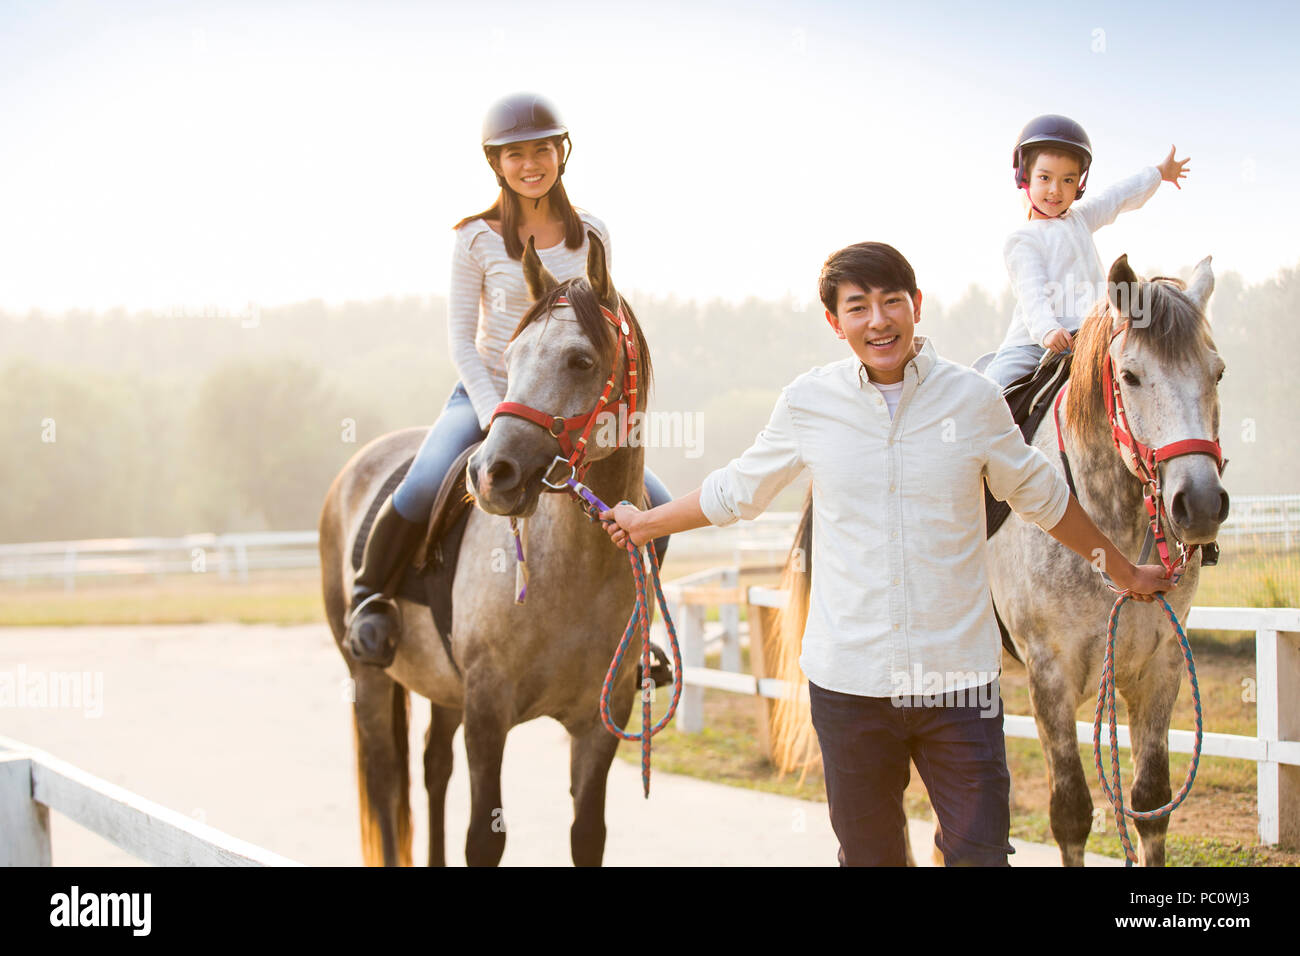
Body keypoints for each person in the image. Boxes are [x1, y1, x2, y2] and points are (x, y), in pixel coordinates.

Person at [598, 242, 1173, 866]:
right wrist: (647, 522)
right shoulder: (808, 403)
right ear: (834, 322)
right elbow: (737, 490)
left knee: (981, 856)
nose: (878, 320)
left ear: (916, 306)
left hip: (959, 687)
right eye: (858, 307)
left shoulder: (973, 401)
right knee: (872, 857)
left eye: (891, 301)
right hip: (850, 686)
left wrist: (1125, 571)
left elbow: (1045, 499)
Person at [345, 92, 674, 665]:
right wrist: (496, 409)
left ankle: (631, 631)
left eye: (541, 150)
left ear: (560, 155)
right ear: (495, 163)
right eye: (514, 153)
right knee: (423, 485)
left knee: (656, 508)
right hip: (490, 393)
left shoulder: (591, 234)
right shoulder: (473, 237)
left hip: (568, 403)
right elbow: (460, 340)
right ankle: (371, 596)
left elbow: (606, 329)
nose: (529, 164)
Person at [983, 114, 1190, 390]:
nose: (1056, 190)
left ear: (1079, 184)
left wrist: (1158, 173)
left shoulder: (1080, 219)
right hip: (1033, 344)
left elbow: (1116, 198)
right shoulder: (1023, 240)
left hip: (1090, 337)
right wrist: (1047, 330)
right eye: (1045, 178)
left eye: (1068, 180)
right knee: (991, 391)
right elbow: (1032, 292)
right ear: (1025, 176)